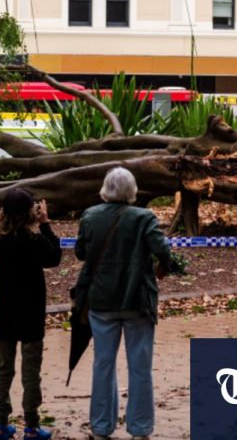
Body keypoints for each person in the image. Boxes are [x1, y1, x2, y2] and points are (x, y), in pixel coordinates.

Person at [73, 167, 172, 440]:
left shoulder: (90, 216)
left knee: (103, 364)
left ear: (105, 189)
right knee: (140, 367)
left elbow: (81, 252)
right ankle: (140, 429)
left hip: (101, 302)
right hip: (137, 302)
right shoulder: (144, 218)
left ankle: (101, 426)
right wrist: (164, 266)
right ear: (132, 190)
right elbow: (163, 251)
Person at [0, 188, 62, 440]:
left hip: (4, 312)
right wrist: (45, 224)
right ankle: (31, 425)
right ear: (32, 212)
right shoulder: (35, 242)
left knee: (3, 369)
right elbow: (55, 257)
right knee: (31, 372)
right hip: (31, 314)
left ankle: (0, 423)